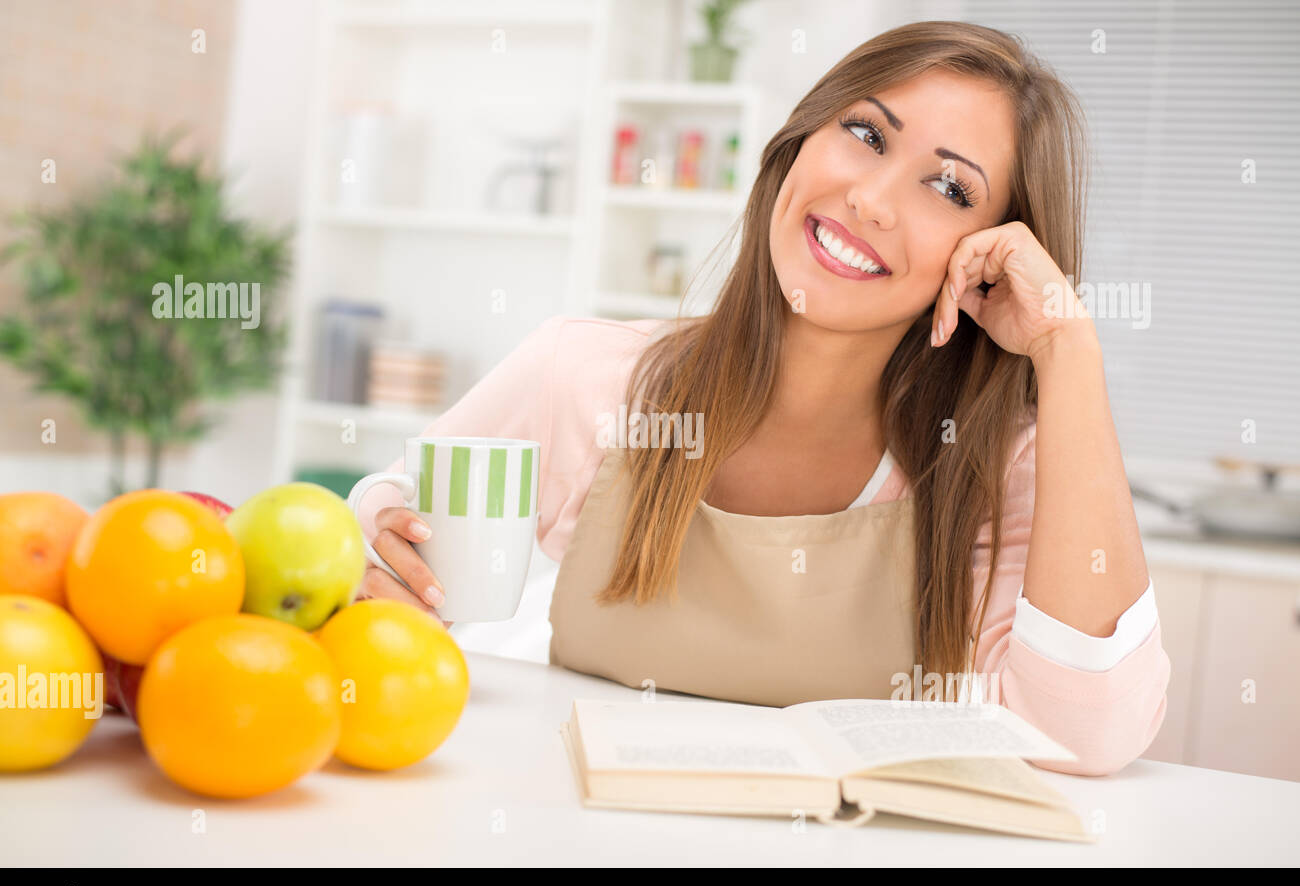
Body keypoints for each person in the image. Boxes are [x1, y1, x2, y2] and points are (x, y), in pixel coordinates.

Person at [355, 21, 1170, 776]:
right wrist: (378, 563)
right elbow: (382, 529)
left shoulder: (994, 461)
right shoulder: (586, 374)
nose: (873, 199)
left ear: (990, 255)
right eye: (865, 134)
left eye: (950, 189)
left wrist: (1068, 346)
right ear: (798, 142)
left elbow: (1082, 733)